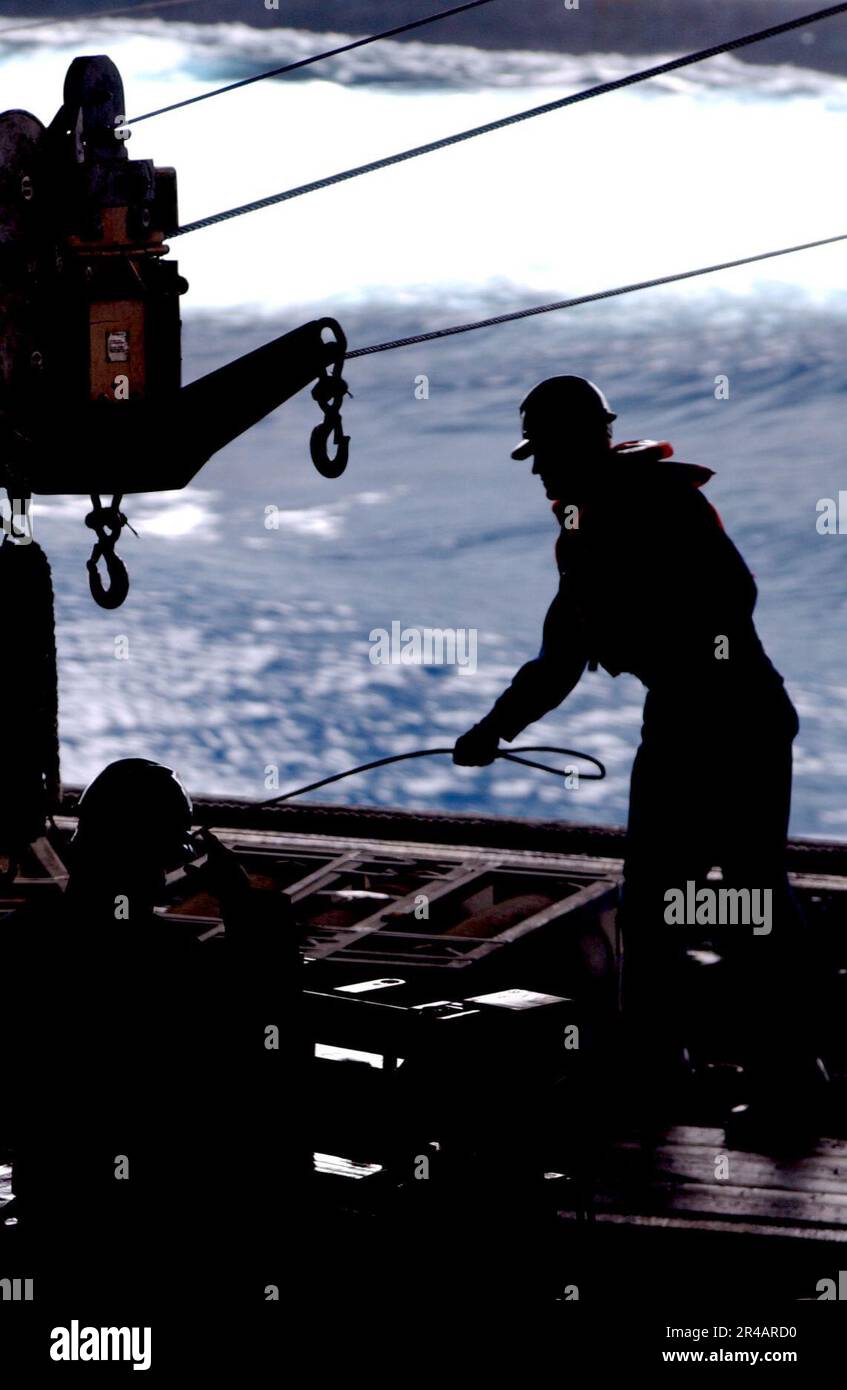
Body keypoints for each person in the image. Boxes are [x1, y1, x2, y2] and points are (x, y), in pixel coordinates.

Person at [453, 375, 827, 1148]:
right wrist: (495, 727)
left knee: (750, 896)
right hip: (685, 722)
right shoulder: (584, 533)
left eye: (545, 452)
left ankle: (791, 1084)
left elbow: (732, 595)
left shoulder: (658, 503)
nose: (537, 471)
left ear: (587, 441)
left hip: (732, 718)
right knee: (655, 900)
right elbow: (558, 658)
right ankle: (657, 1069)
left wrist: (655, 635)